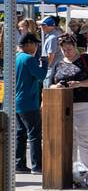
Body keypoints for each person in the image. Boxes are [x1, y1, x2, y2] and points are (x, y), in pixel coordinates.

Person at [49, 33, 88, 187]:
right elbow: (50, 84)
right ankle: (73, 174)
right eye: (64, 49)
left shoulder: (85, 60)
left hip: (84, 105)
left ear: (75, 46)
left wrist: (79, 84)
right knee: (69, 141)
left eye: (70, 48)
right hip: (64, 106)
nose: (67, 52)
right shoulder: (58, 63)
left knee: (85, 140)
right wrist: (57, 86)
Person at [15, 33, 46, 174]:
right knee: (34, 135)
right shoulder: (29, 59)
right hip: (29, 103)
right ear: (28, 44)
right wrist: (44, 63)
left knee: (20, 134)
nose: (37, 46)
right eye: (35, 43)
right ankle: (37, 166)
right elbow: (41, 76)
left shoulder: (16, 58)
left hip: (17, 102)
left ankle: (19, 164)